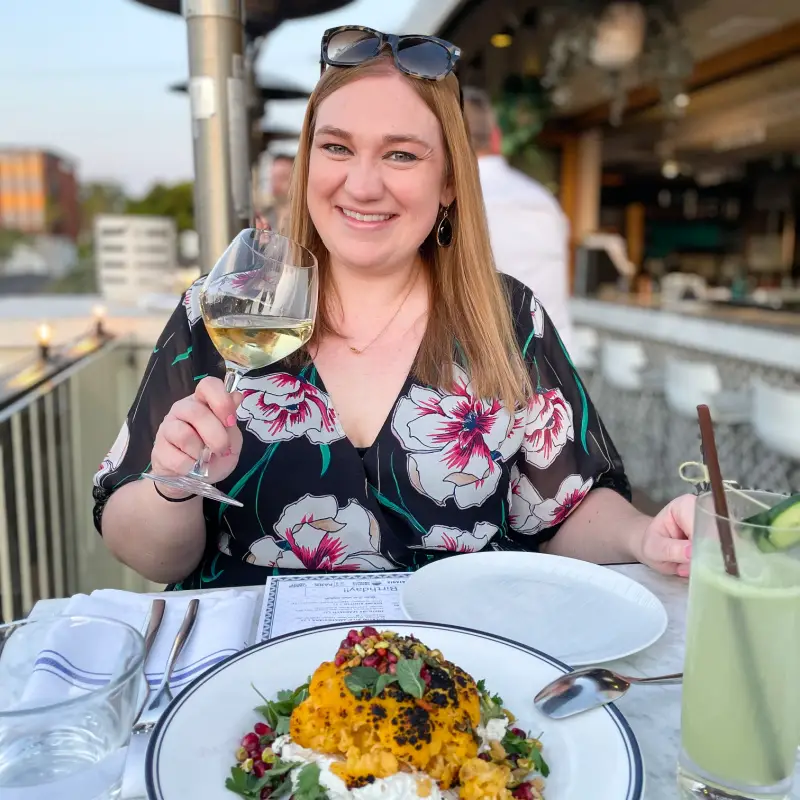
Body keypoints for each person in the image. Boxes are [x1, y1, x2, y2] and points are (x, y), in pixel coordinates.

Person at [92, 26, 694, 590]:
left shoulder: (506, 315)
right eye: (336, 147)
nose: (361, 184)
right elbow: (143, 552)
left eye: (401, 155)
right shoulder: (222, 306)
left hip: (456, 677)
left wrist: (645, 535)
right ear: (307, 163)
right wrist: (174, 485)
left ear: (450, 183)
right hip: (254, 686)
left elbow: (569, 507)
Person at [462, 86, 574, 352]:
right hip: (558, 365)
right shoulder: (545, 201)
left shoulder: (458, 200)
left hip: (489, 367)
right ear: (497, 138)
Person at [260, 154, 294, 232]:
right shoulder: (264, 216)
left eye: (282, 177)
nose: (276, 183)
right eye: (274, 178)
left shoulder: (307, 217)